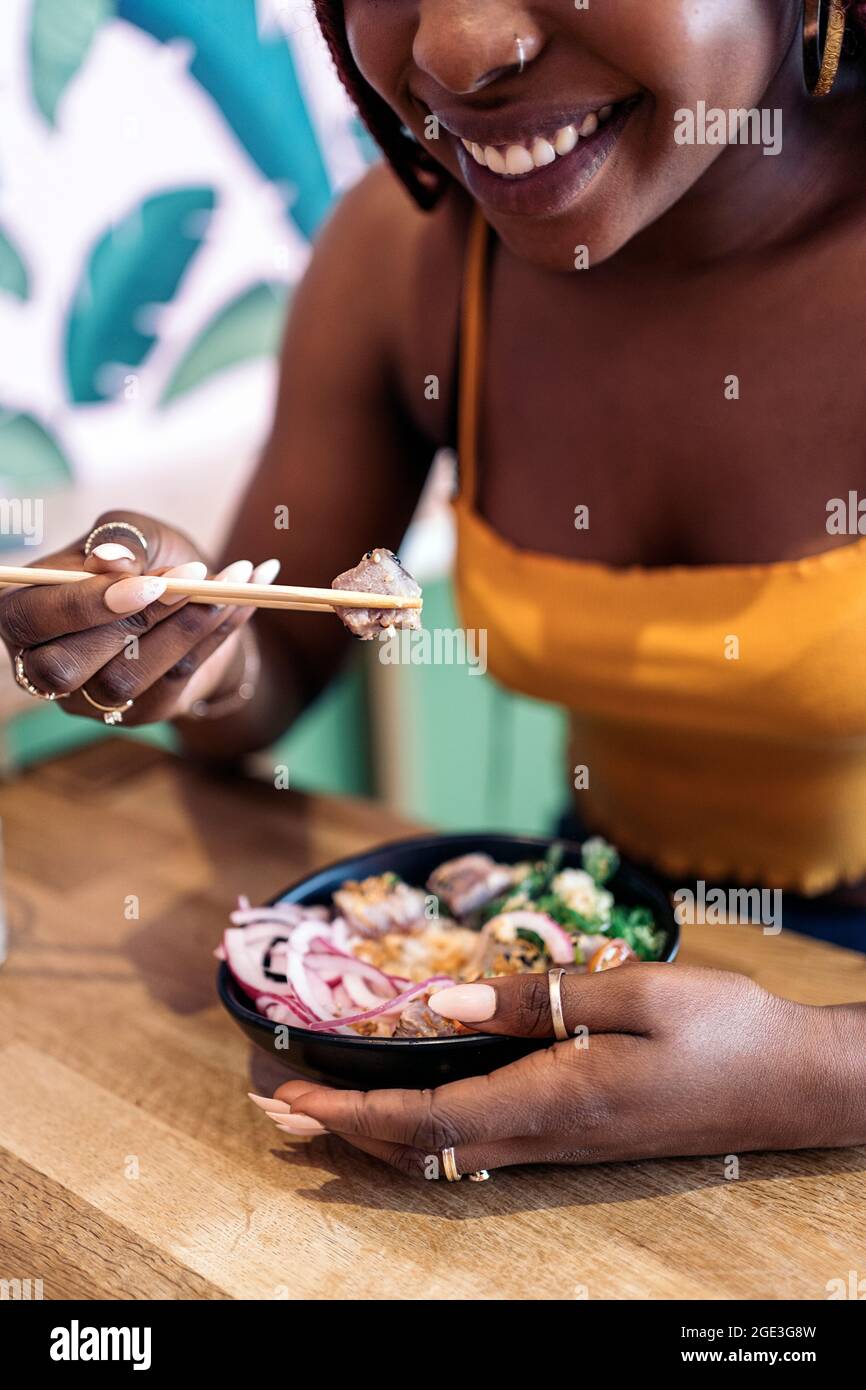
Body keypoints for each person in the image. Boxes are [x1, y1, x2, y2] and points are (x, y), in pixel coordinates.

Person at [3, 1, 865, 1175]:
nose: (455, 46)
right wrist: (179, 644)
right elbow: (266, 673)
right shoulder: (408, 262)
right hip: (576, 919)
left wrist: (817, 1072)